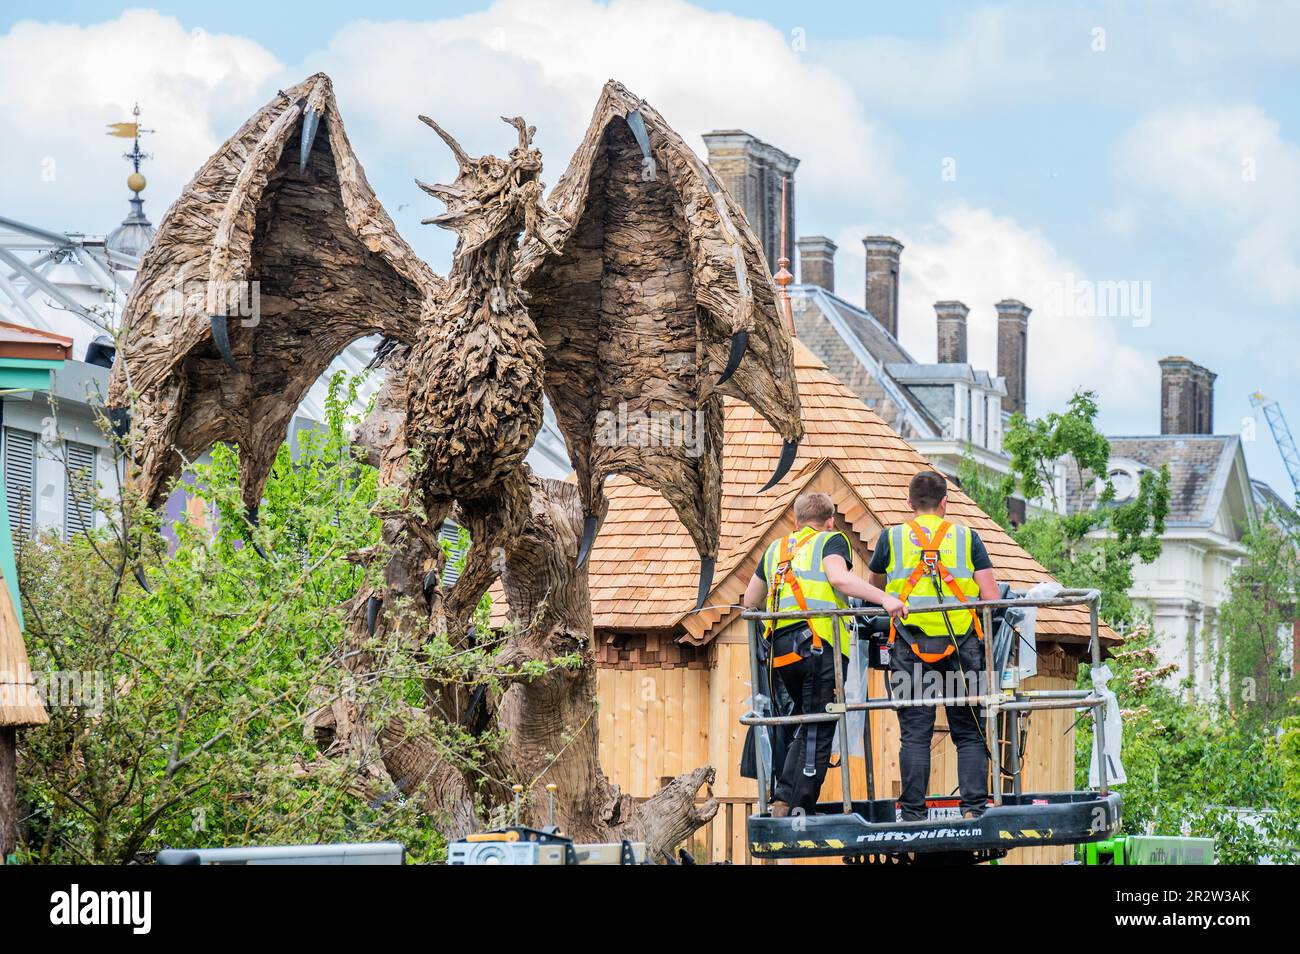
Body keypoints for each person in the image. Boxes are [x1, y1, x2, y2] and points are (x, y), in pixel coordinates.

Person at [743, 492, 907, 818]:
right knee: (818, 727)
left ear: (796, 520)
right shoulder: (831, 541)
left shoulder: (776, 549)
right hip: (818, 648)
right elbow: (839, 578)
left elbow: (750, 600)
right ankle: (792, 805)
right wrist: (885, 599)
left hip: (780, 653)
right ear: (830, 521)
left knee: (804, 724)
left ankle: (785, 799)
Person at [867, 470, 999, 821]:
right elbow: (991, 597)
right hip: (962, 650)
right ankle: (973, 811)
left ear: (909, 503)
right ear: (945, 502)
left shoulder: (891, 538)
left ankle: (912, 815)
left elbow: (874, 590)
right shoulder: (967, 537)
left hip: (910, 650)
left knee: (914, 735)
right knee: (969, 732)